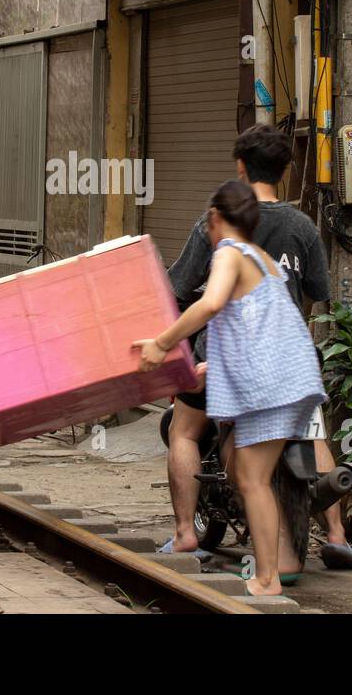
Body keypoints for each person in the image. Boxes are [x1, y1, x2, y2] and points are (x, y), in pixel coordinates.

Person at [163, 124, 352, 572]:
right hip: (289, 359)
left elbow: (182, 286)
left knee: (184, 431)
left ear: (239, 167)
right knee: (311, 433)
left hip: (225, 355)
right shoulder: (302, 227)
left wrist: (166, 341)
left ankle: (184, 533)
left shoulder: (217, 222)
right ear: (285, 171)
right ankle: (336, 534)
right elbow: (316, 291)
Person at [134, 180, 325, 596]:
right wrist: (210, 368)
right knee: (241, 470)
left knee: (252, 478)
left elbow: (211, 304)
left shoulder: (230, 253)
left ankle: (268, 578)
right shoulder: (261, 258)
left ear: (217, 219)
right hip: (289, 377)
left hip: (275, 382)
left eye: (209, 223)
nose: (207, 231)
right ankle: (268, 570)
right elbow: (254, 326)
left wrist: (162, 343)